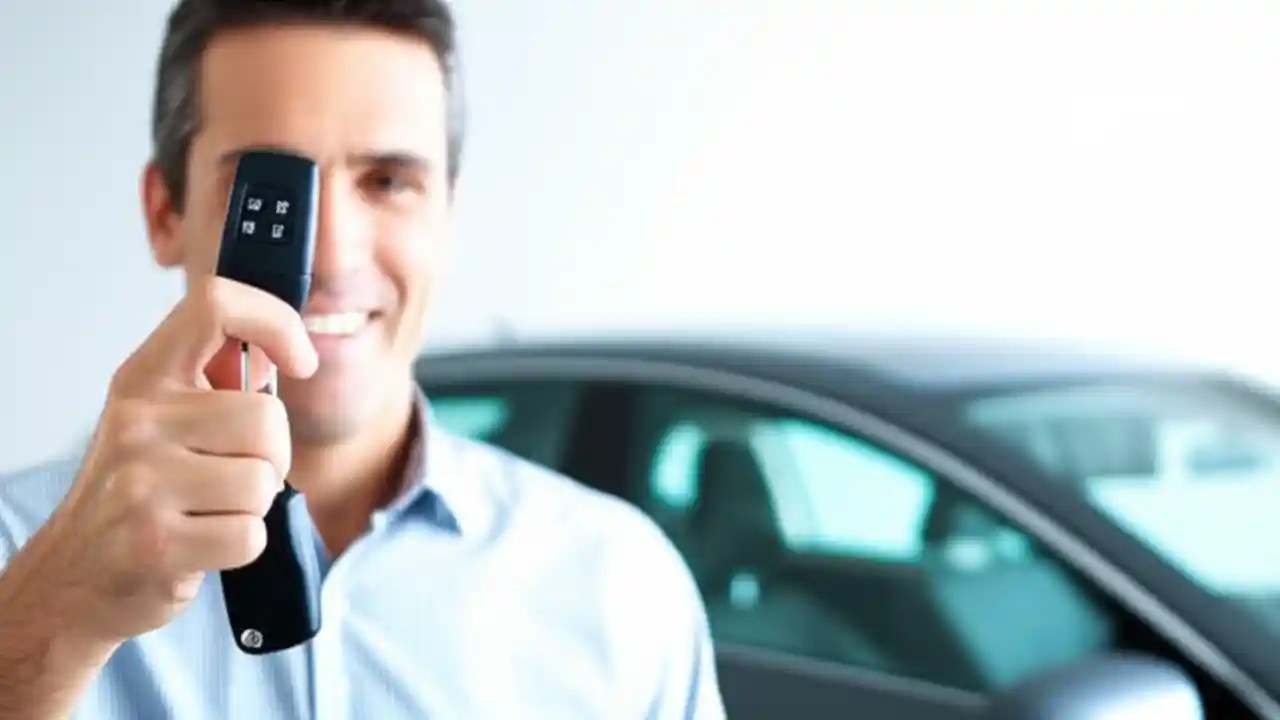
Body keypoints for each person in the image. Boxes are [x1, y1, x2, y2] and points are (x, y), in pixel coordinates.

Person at [0, 1, 726, 718]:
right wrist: (48, 627)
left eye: (388, 182)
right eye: (271, 194)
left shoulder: (621, 585)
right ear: (166, 214)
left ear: (447, 216)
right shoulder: (14, 556)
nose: (330, 255)